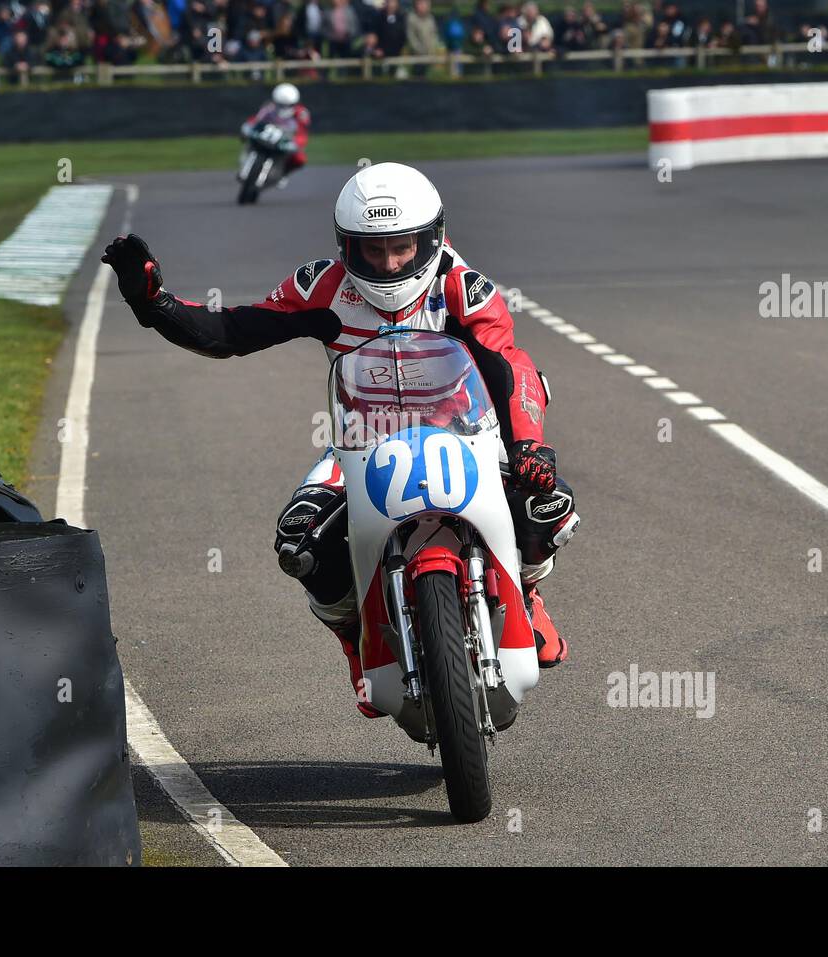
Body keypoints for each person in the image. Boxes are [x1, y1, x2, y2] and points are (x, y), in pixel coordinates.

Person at [100, 163, 578, 717]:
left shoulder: (464, 289)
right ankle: (357, 640)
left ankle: (525, 586)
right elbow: (230, 333)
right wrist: (154, 304)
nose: (389, 264)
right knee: (298, 540)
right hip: (361, 439)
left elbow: (511, 367)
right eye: (371, 250)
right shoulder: (323, 287)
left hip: (469, 433)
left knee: (549, 501)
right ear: (345, 245)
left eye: (402, 248)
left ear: (433, 238)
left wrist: (528, 446)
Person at [240, 81, 310, 187]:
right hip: (265, 134)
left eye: (288, 105)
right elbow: (257, 119)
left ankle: (283, 174)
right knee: (249, 141)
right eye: (281, 104)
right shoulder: (269, 107)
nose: (284, 108)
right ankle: (245, 164)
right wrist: (248, 126)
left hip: (285, 139)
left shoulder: (301, 113)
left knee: (299, 159)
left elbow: (302, 131)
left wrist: (296, 143)